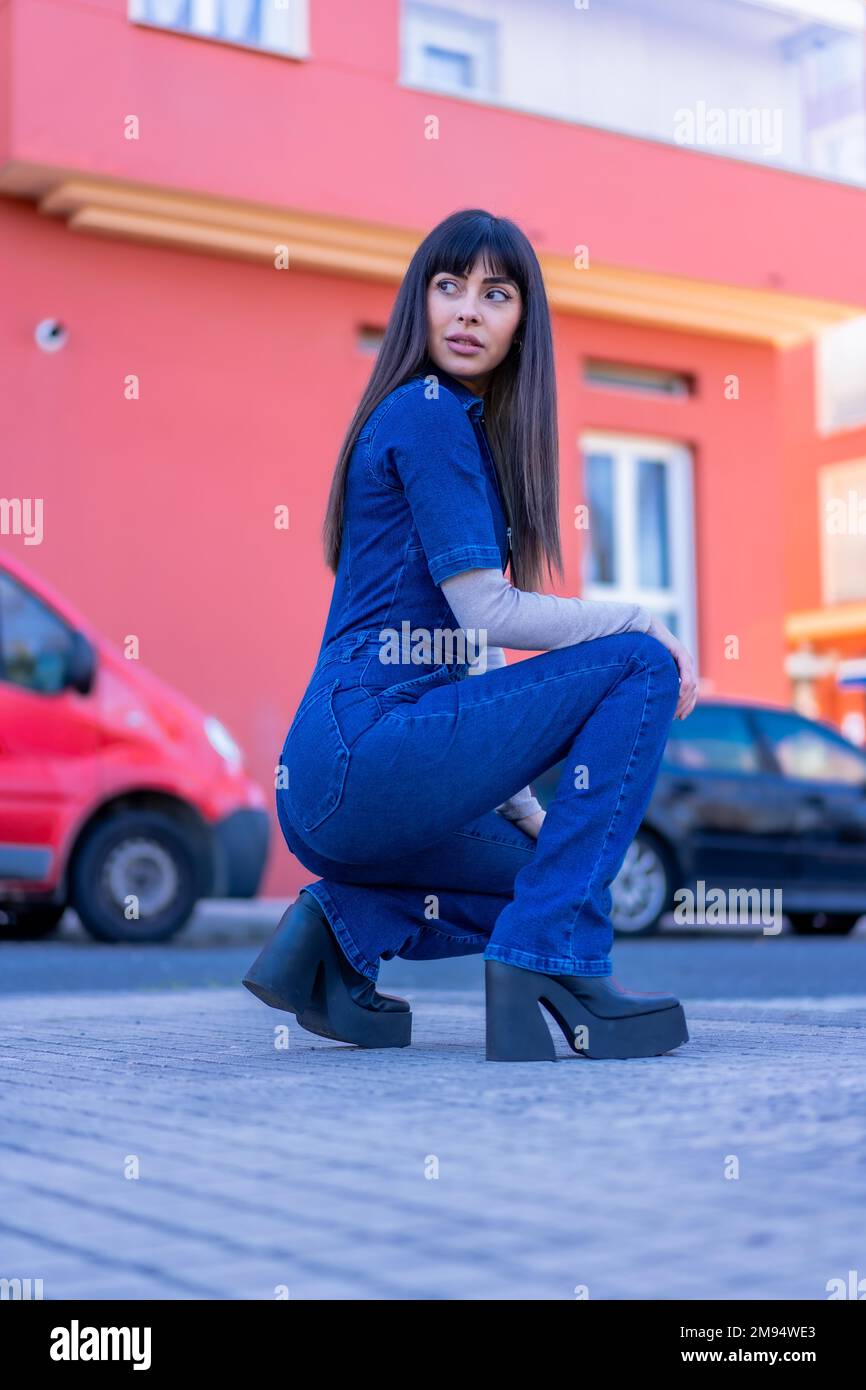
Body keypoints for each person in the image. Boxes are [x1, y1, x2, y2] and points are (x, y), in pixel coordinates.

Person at [243, 208, 698, 1062]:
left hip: (340, 784)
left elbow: (464, 647)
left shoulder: (455, 431)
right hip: (366, 748)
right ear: (420, 301)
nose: (466, 311)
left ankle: (338, 933)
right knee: (638, 665)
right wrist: (642, 618)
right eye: (448, 286)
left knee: (545, 875)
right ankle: (557, 964)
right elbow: (490, 611)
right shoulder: (427, 414)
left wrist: (524, 807)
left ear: (524, 320)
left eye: (496, 293)